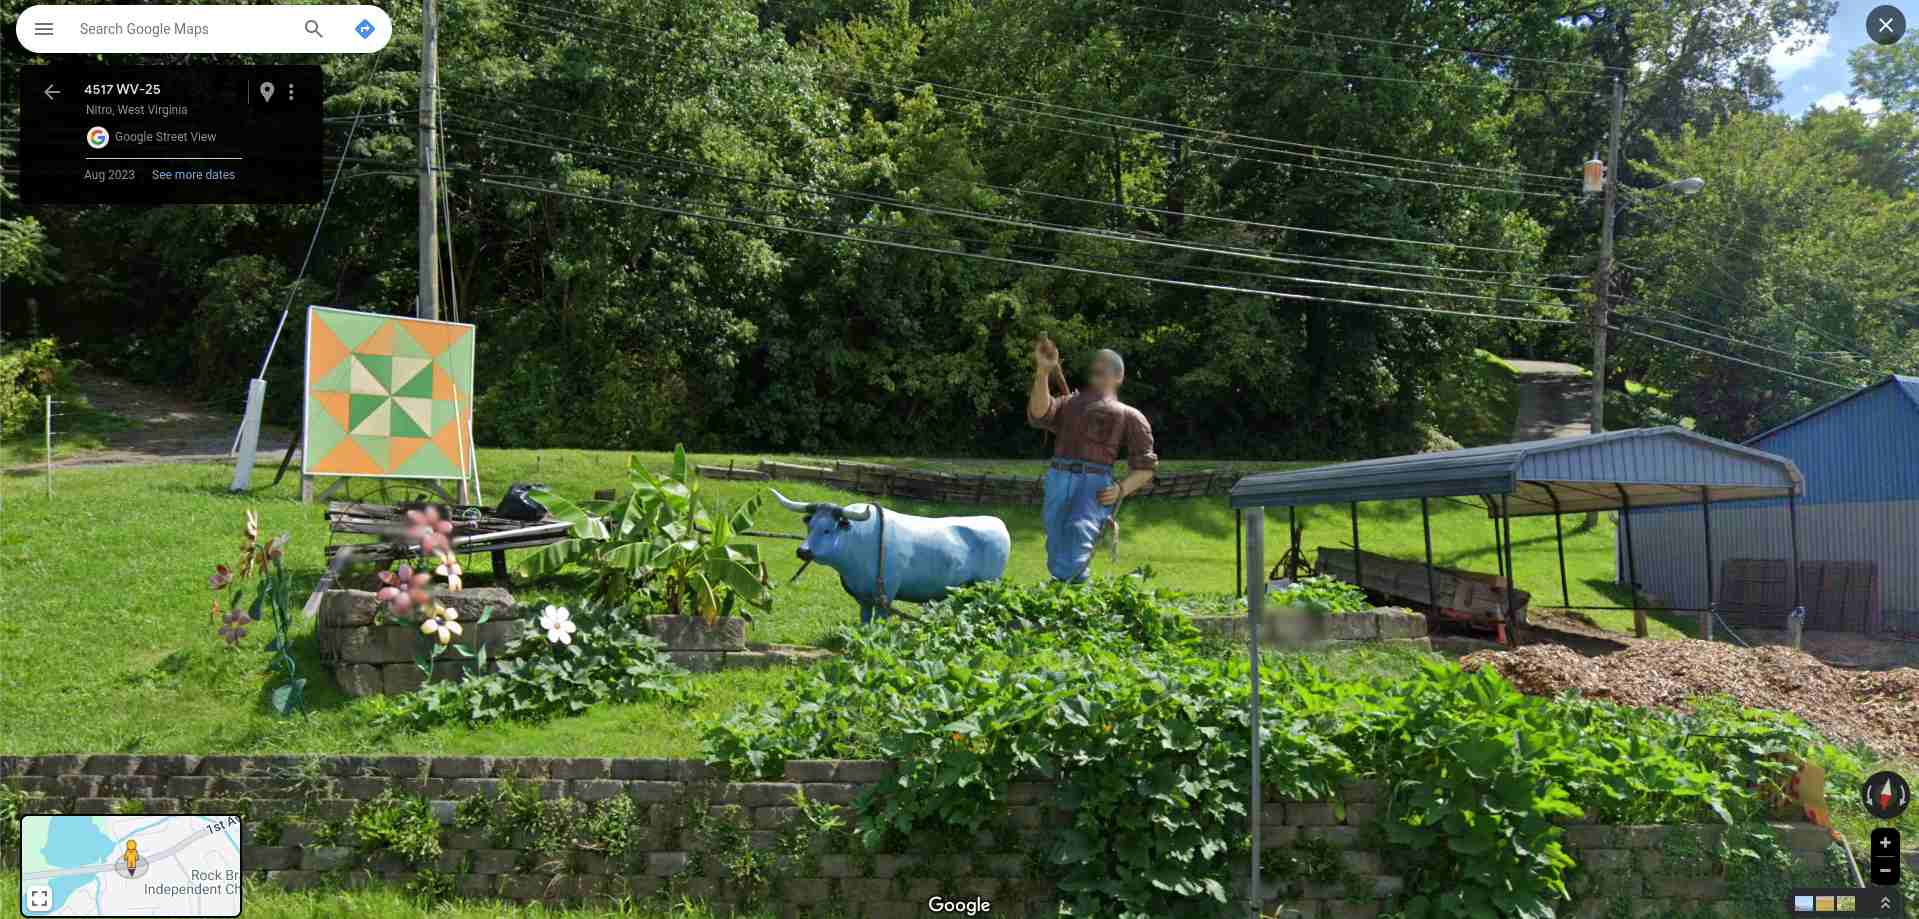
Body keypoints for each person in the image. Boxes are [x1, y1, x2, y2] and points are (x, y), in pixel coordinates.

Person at [1027, 336, 1157, 581]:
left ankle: (1072, 593)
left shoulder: (1131, 416)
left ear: (1118, 377)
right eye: (1094, 372)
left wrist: (1121, 488)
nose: (1097, 376)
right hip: (1058, 476)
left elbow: (1146, 467)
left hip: (1094, 484)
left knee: (1079, 534)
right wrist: (1043, 372)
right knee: (1056, 539)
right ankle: (1068, 593)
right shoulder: (1068, 404)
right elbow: (1039, 412)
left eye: (1104, 372)